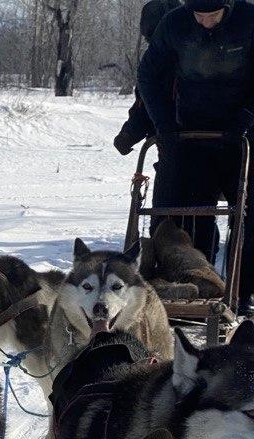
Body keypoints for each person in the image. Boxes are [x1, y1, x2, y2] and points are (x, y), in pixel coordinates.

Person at [137, 0, 254, 312]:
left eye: (211, 15)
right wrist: (163, 123)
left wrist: (245, 118)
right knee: (194, 215)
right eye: (198, 16)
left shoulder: (249, 20)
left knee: (247, 215)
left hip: (244, 134)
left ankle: (241, 293)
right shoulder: (175, 24)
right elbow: (148, 75)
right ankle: (201, 289)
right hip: (192, 135)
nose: (204, 22)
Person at [114, 0, 183, 156]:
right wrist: (129, 134)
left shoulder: (204, 56)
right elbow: (145, 106)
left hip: (215, 140)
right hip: (171, 144)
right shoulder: (151, 66)